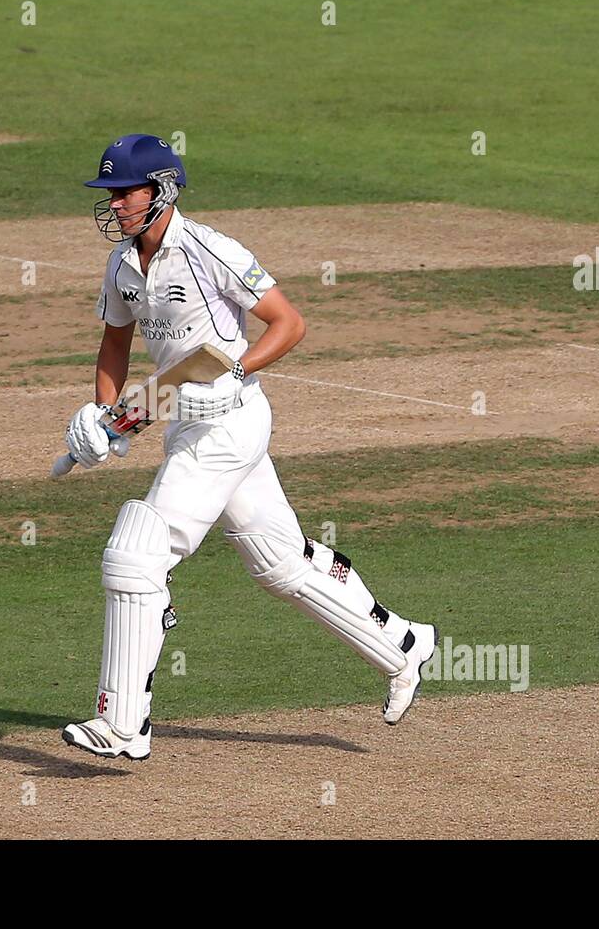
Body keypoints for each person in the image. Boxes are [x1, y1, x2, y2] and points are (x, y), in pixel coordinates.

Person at [60, 134, 437, 760]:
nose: (115, 205)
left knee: (137, 552)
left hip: (231, 420)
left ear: (161, 190)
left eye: (124, 192)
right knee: (281, 561)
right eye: (111, 194)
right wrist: (104, 414)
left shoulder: (211, 250)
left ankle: (123, 722)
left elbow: (289, 323)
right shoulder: (124, 263)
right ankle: (403, 646)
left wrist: (235, 372)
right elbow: (116, 345)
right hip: (182, 416)